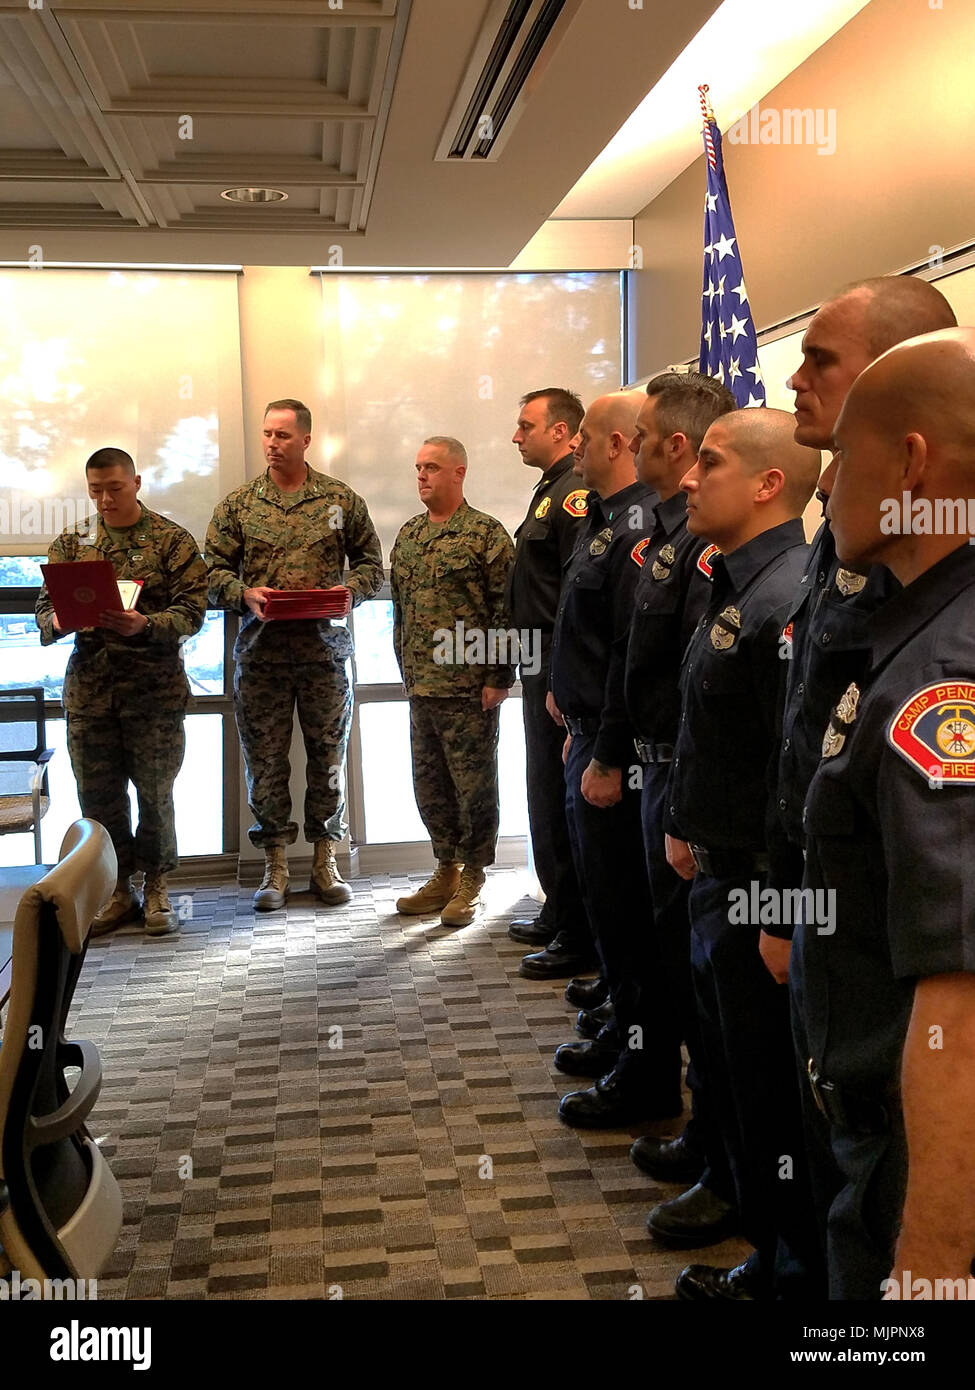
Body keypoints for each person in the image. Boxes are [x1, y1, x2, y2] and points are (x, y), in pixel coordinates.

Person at [768, 277, 958, 1276]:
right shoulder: (877, 569)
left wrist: (934, 1256)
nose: (794, 383)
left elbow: (959, 989)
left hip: (900, 1063)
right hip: (848, 1000)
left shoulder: (944, 651)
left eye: (819, 363)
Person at [663, 409, 824, 1301]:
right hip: (718, 877)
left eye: (710, 463)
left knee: (772, 1097)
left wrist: (779, 907)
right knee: (732, 1075)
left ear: (767, 484)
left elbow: (793, 776)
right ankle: (766, 1242)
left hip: (760, 897)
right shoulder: (735, 582)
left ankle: (791, 1274)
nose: (689, 476)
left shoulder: (787, 598)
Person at [621, 371, 740, 1249]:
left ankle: (729, 1169)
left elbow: (710, 700)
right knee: (679, 969)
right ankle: (711, 1146)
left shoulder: (717, 558)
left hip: (694, 793)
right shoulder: (663, 533)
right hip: (660, 772)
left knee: (715, 999)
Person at [549, 391, 681, 1128]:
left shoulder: (638, 528)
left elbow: (635, 657)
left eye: (589, 437)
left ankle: (644, 1074)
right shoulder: (607, 519)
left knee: (628, 922)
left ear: (620, 443)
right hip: (592, 734)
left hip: (618, 754)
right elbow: (592, 635)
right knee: (610, 911)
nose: (577, 448)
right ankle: (623, 1037)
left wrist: (604, 748)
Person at [205, 399, 383, 912]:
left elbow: (372, 561)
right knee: (265, 764)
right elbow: (210, 570)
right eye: (266, 434)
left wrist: (350, 590)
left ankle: (326, 858)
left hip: (323, 654)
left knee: (328, 759)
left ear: (305, 439)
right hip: (261, 657)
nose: (272, 443)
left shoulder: (339, 500)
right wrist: (244, 594)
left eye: (283, 435)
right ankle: (275, 865)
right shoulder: (239, 505)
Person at [35, 447, 207, 937]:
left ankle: (157, 887)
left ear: (136, 482)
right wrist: (60, 619)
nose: (105, 499)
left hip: (153, 693)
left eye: (114, 488)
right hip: (90, 694)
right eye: (95, 490)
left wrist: (146, 624)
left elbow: (193, 610)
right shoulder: (72, 543)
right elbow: (43, 612)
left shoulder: (172, 542)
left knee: (155, 794)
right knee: (99, 798)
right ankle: (117, 890)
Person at [389, 436, 515, 927]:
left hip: (468, 688)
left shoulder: (486, 535)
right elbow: (400, 608)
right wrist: (405, 667)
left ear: (459, 472)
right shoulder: (409, 536)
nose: (422, 476)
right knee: (430, 784)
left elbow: (505, 611)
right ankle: (444, 868)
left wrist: (498, 676)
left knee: (474, 787)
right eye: (418, 467)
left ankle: (474, 877)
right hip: (422, 686)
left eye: (433, 468)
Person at [506, 387, 595, 980]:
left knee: (559, 796)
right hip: (535, 657)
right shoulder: (550, 490)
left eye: (526, 426)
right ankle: (558, 908)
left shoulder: (575, 496)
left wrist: (559, 676)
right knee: (541, 791)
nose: (517, 436)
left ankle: (574, 927)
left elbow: (575, 597)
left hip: (554, 660)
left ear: (563, 431)